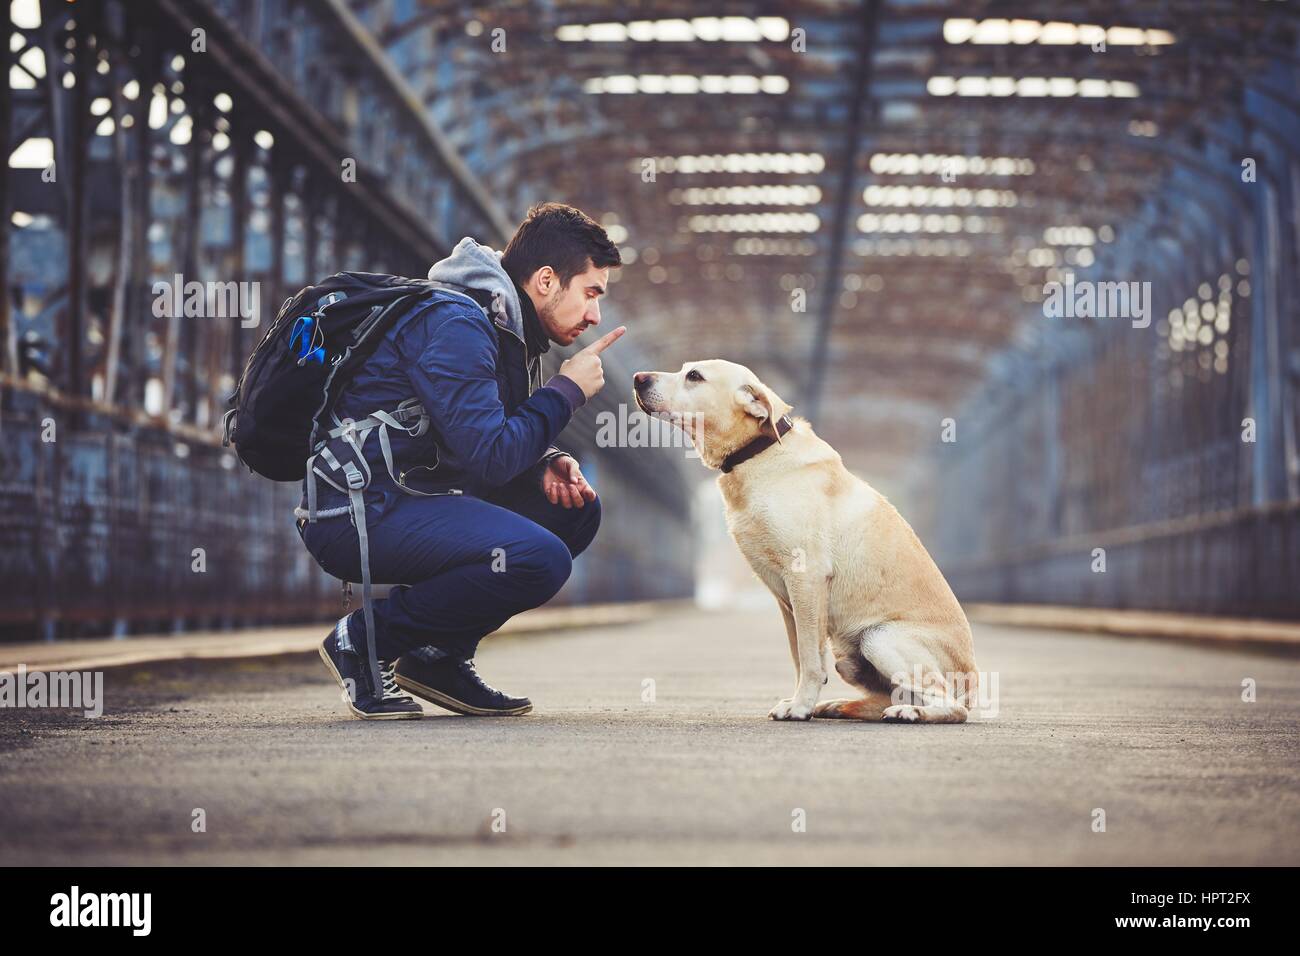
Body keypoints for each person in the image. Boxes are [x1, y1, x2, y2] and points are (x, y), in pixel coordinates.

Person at [300, 202, 624, 719]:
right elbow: (490, 458)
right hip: (361, 509)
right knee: (539, 558)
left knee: (574, 511)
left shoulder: (507, 329)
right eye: (590, 293)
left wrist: (546, 459)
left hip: (413, 493)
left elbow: (482, 437)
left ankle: (436, 657)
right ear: (545, 280)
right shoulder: (456, 324)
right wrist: (566, 391)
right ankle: (362, 640)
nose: (595, 315)